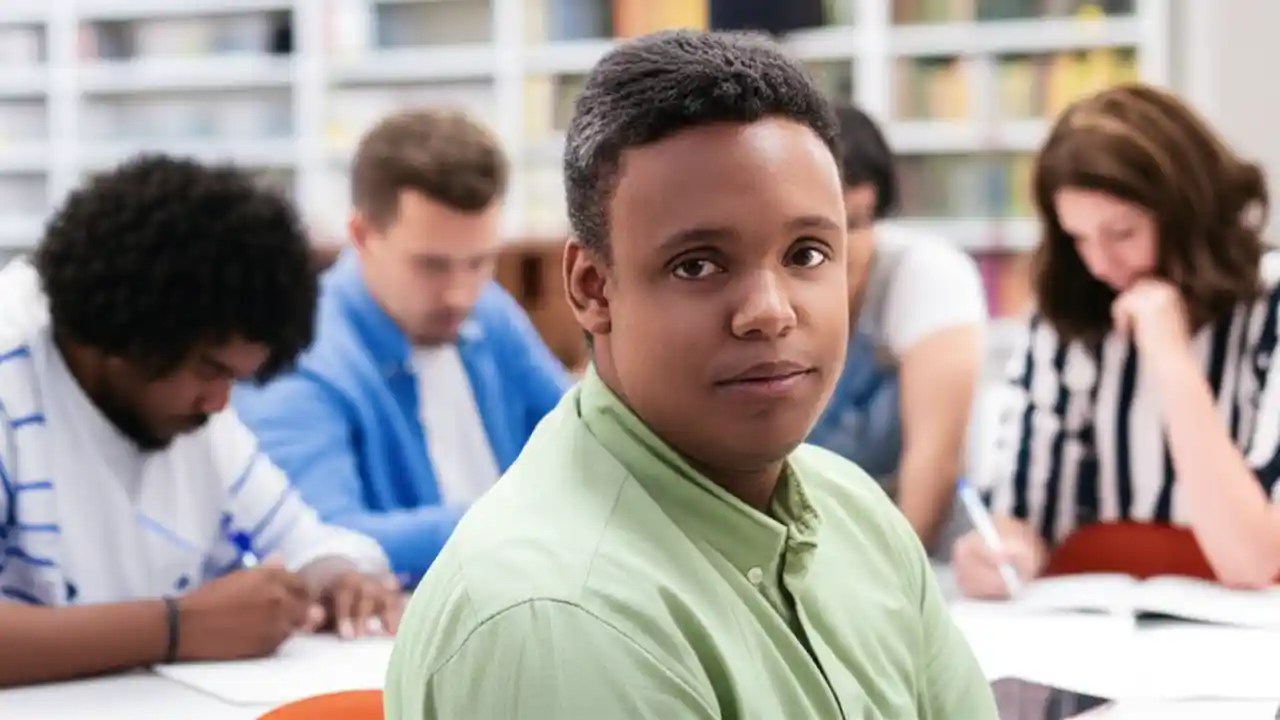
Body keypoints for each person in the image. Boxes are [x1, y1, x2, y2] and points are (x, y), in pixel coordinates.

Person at [385, 30, 995, 719]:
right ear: (592, 288)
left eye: (808, 253)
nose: (769, 312)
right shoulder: (562, 617)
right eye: (698, 265)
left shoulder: (854, 512)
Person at [0, 155, 401, 688]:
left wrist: (341, 576)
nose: (219, 402)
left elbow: (302, 538)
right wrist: (177, 627)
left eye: (236, 378)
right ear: (124, 334)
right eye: (210, 371)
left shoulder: (192, 411)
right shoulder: (12, 373)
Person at [953, 83, 1280, 598]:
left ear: (1191, 214)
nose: (1100, 265)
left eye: (1122, 233)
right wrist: (1003, 552)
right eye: (1078, 238)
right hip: (1097, 629)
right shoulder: (1068, 311)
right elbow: (1024, 517)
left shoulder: (1271, 308)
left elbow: (1254, 559)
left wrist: (1171, 360)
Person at [234, 109, 571, 588]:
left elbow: (586, 441)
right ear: (361, 235)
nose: (460, 293)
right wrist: (529, 521)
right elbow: (320, 540)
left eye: (478, 262)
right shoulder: (298, 358)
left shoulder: (486, 311)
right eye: (431, 266)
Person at [808, 105, 987, 550]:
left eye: (860, 221)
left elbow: (935, 460)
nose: (847, 247)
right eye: (821, 230)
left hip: (911, 548)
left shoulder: (925, 274)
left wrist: (892, 589)